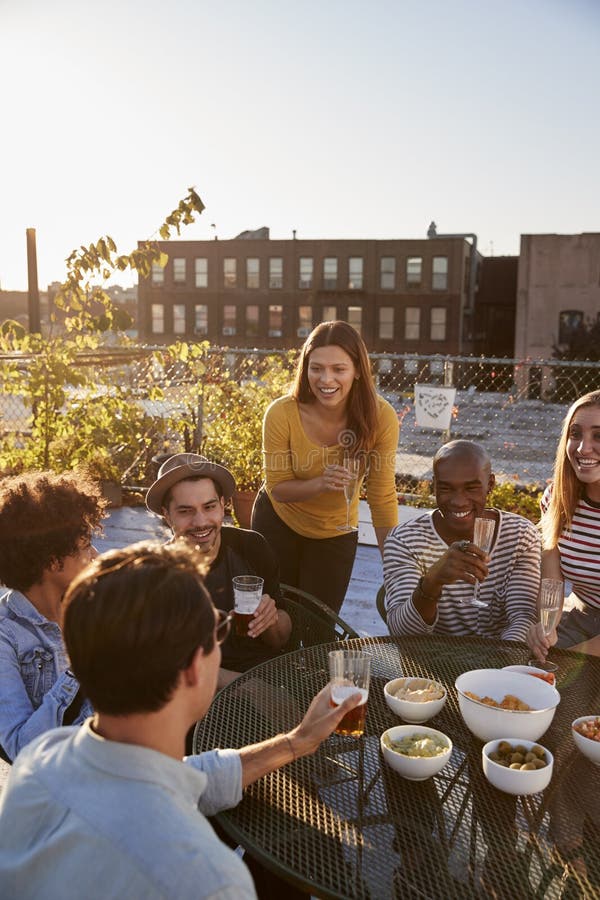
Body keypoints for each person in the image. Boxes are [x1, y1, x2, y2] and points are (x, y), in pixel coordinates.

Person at [0, 541, 362, 899]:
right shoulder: (209, 880)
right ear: (192, 669)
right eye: (217, 628)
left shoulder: (44, 760)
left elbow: (177, 779)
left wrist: (296, 741)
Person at [251, 320, 399, 614]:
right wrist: (321, 482)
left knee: (318, 627)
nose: (325, 379)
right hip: (278, 522)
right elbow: (278, 487)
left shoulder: (381, 417)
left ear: (358, 370)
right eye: (316, 368)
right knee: (275, 620)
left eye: (338, 369)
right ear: (305, 368)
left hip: (336, 532)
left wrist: (394, 567)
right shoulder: (282, 412)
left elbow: (382, 497)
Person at [146, 453, 291, 688]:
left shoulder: (252, 547)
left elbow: (281, 639)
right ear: (166, 514)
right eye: (185, 511)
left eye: (209, 506)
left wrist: (271, 620)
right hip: (201, 694)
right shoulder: (156, 574)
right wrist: (249, 687)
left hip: (269, 675)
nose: (201, 521)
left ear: (223, 504)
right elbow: (173, 667)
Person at [383, 440, 539, 641]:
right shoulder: (404, 540)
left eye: (471, 488)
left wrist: (495, 668)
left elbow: (523, 618)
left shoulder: (520, 535)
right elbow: (401, 633)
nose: (458, 501)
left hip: (502, 661)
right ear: (434, 486)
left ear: (490, 484)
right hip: (432, 662)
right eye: (446, 489)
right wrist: (431, 583)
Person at [0, 471, 104, 762]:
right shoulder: (6, 635)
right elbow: (22, 749)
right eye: (85, 546)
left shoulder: (93, 605)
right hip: (59, 789)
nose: (96, 554)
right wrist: (81, 665)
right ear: (51, 560)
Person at [527, 390, 600, 660]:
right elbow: (551, 582)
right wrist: (546, 627)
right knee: (527, 676)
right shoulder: (557, 498)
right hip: (580, 618)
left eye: (598, 435)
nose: (583, 448)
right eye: (575, 434)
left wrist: (574, 656)